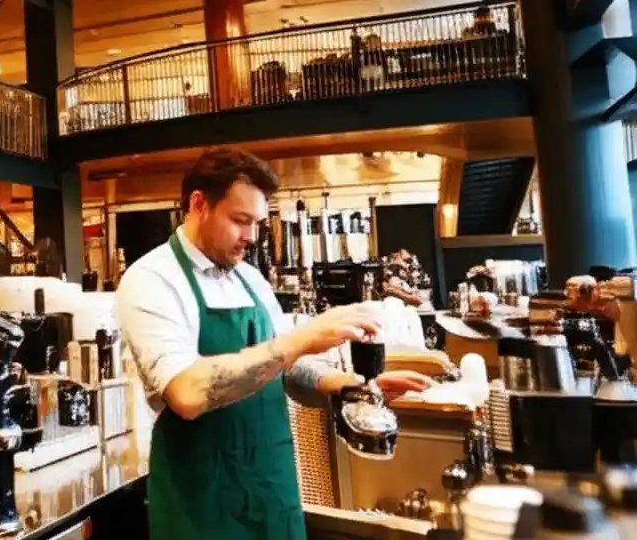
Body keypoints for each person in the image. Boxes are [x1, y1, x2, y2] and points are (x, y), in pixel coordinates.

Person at [116, 149, 433, 540]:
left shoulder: (250, 279)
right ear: (198, 204)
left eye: (257, 223)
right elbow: (187, 391)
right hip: (200, 508)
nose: (251, 236)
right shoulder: (152, 279)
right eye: (239, 220)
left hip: (271, 495)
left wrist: (350, 387)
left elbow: (284, 367)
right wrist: (302, 339)